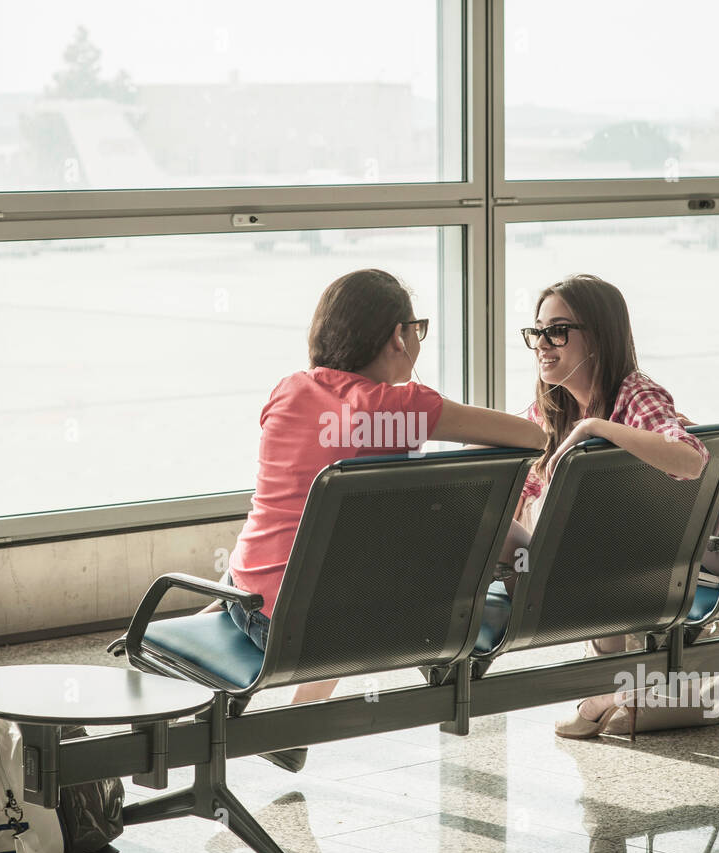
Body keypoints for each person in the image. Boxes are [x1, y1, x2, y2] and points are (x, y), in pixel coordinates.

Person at [221, 268, 545, 771]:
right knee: (428, 513)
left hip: (257, 610)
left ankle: (283, 712)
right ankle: (490, 611)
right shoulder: (404, 406)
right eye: (418, 328)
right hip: (339, 627)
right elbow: (531, 437)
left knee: (306, 558)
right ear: (399, 334)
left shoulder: (287, 390)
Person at [501, 274, 712, 739]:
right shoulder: (551, 411)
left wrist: (598, 427)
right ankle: (604, 690)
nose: (542, 343)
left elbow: (690, 459)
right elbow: (522, 496)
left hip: (619, 577)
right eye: (537, 332)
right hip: (583, 572)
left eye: (558, 331)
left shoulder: (635, 394)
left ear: (599, 336)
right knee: (486, 519)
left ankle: (601, 694)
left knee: (491, 531)